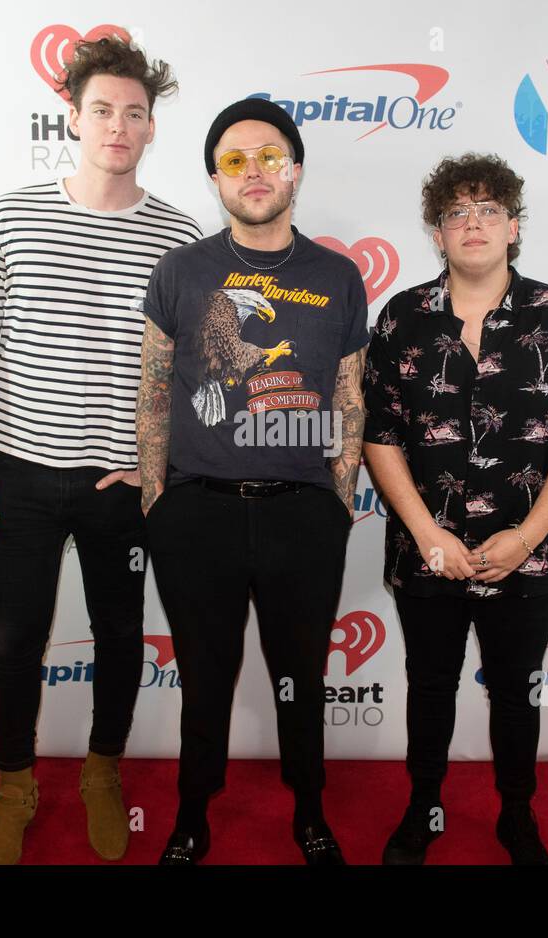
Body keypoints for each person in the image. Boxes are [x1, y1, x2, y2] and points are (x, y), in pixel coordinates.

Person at [0, 36, 202, 865]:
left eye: (134, 113)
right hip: (14, 474)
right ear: (72, 118)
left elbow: (195, 370)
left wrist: (155, 464)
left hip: (118, 487)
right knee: (16, 637)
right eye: (102, 110)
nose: (117, 126)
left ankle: (102, 770)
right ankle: (14, 785)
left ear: (152, 127)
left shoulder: (179, 236)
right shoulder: (9, 217)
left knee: (120, 634)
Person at [136, 98, 369, 865]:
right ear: (215, 179)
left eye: (270, 155)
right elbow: (154, 387)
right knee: (203, 681)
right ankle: (191, 817)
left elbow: (347, 395)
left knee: (301, 677)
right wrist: (156, 499)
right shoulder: (181, 270)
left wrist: (335, 501)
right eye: (235, 160)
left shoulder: (337, 276)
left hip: (302, 517)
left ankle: (311, 813)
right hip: (196, 514)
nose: (255, 171)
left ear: (295, 167)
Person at [361, 153, 548, 865]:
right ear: (436, 233)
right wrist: (426, 530)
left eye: (488, 210)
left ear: (513, 227)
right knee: (429, 683)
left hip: (526, 557)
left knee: (515, 691)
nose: (473, 223)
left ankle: (517, 814)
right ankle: (423, 805)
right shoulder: (402, 317)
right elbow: (379, 436)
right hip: (424, 551)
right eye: (456, 213)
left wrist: (528, 536)